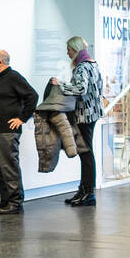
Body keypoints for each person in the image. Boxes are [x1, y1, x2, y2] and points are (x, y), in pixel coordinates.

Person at [50, 36, 103, 206]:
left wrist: (60, 85)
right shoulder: (93, 64)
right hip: (92, 114)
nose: (67, 53)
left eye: (69, 50)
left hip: (84, 115)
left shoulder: (81, 67)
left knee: (86, 153)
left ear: (75, 50)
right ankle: (84, 190)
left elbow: (81, 88)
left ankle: (88, 193)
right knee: (86, 153)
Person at [0, 49, 38, 214]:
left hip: (6, 130)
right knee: (0, 167)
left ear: (0, 62)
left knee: (8, 166)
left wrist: (22, 118)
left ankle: (15, 202)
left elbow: (32, 96)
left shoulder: (13, 77)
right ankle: (5, 201)